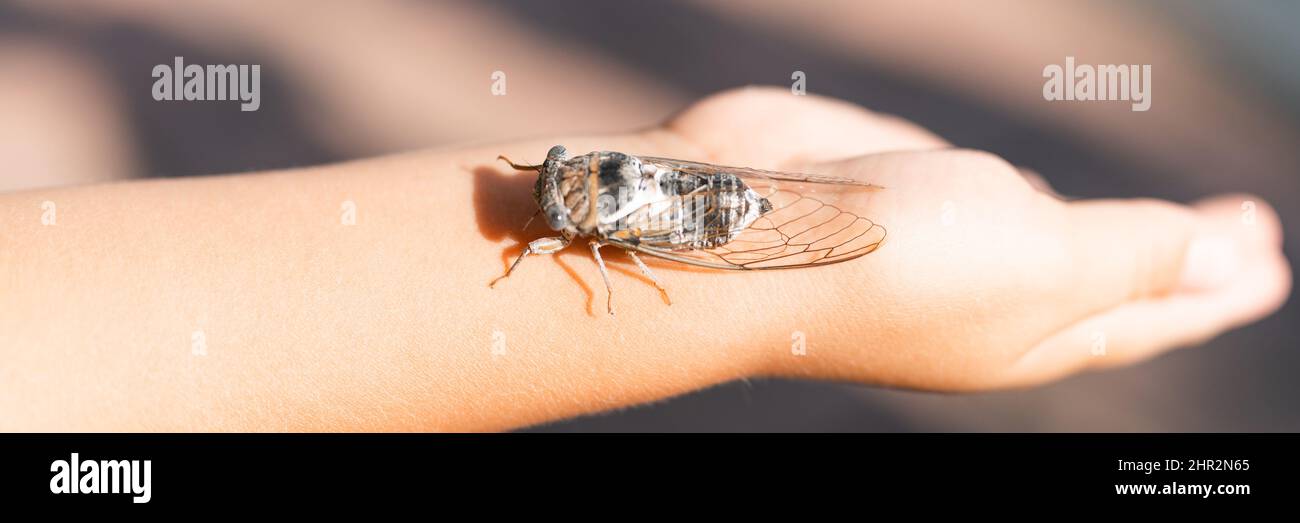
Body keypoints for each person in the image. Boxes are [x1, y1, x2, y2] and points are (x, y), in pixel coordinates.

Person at [0, 87, 1288, 431]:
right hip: (674, 198)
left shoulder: (572, 205)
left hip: (696, 206)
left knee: (716, 220)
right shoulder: (559, 204)